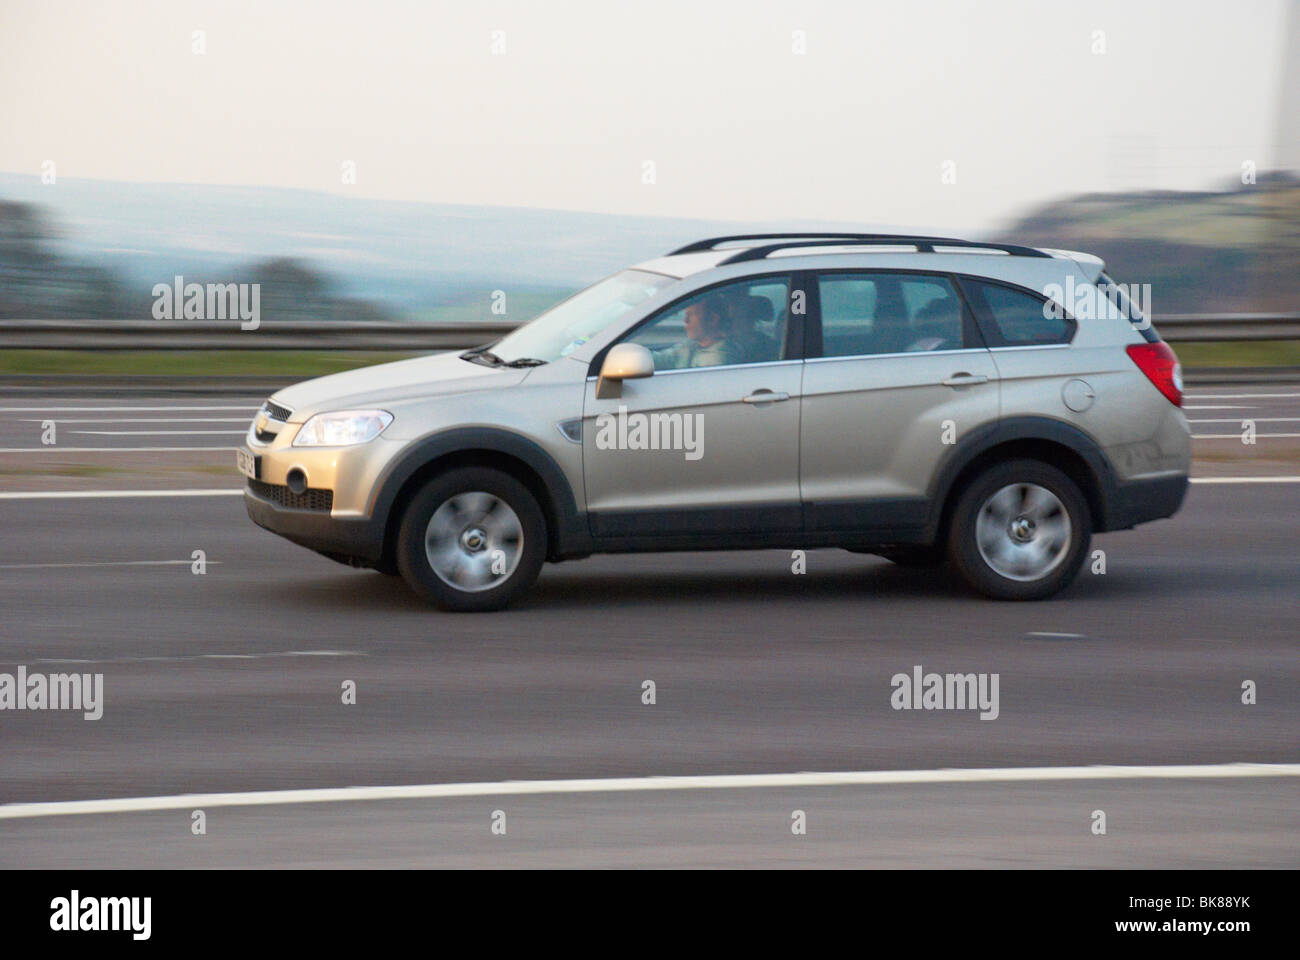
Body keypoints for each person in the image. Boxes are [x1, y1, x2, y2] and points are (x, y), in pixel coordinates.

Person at [651, 295, 742, 369]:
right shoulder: (692, 345)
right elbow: (665, 358)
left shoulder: (718, 361)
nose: (685, 320)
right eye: (686, 315)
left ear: (712, 319)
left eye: (691, 315)